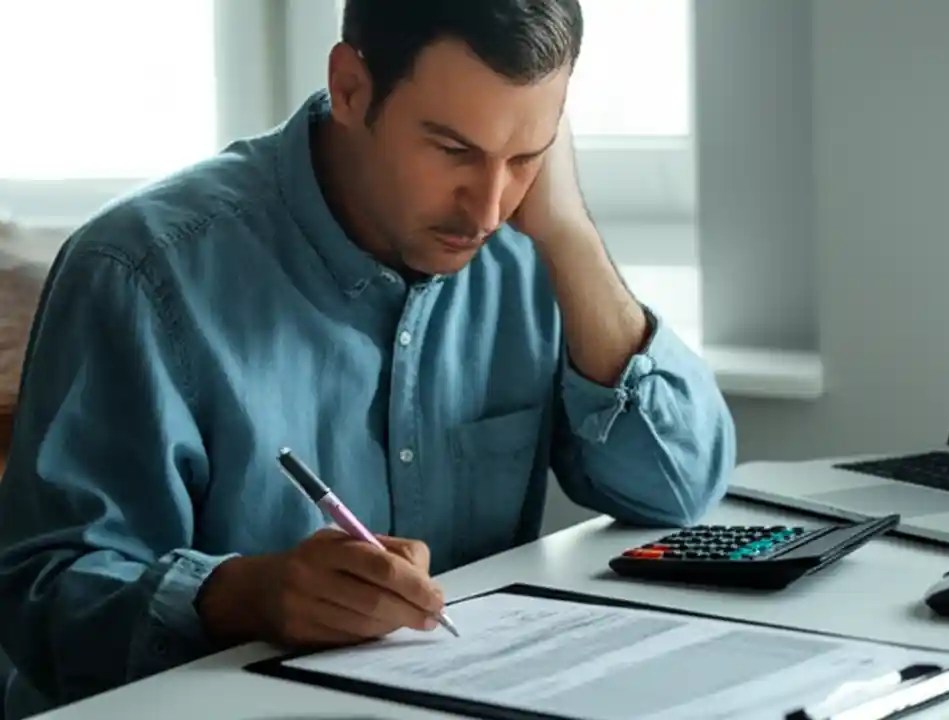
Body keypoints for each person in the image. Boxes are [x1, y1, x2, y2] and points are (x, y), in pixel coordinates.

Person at [0, 1, 736, 716]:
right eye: (453, 150)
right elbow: (42, 603)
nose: (485, 210)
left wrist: (570, 232)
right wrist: (246, 596)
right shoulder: (139, 271)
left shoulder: (527, 242)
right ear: (350, 88)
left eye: (526, 157)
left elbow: (675, 486)